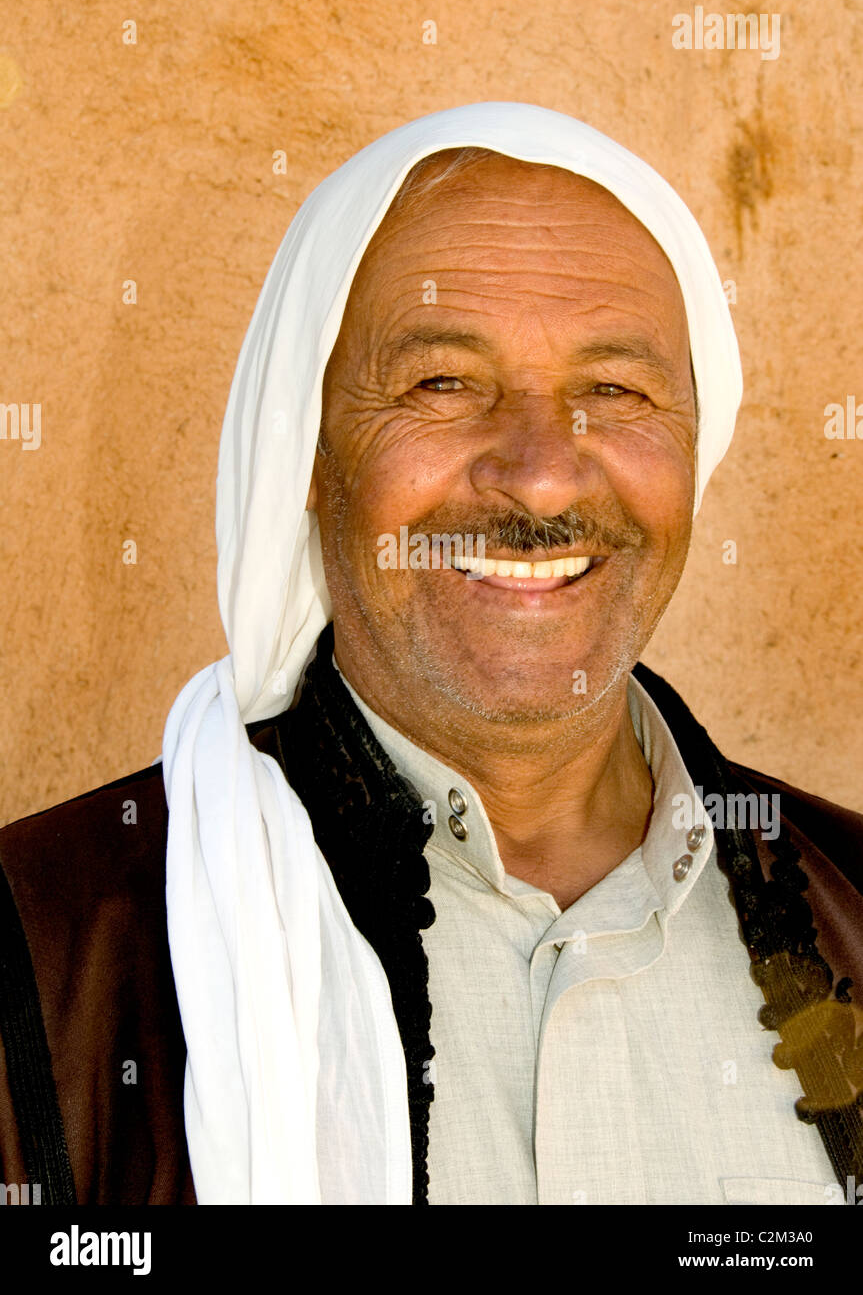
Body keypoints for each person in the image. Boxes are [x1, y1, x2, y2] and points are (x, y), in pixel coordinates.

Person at [1, 103, 861, 1207]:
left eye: (615, 390)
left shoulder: (837, 905)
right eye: (442, 384)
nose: (543, 476)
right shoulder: (44, 951)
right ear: (304, 455)